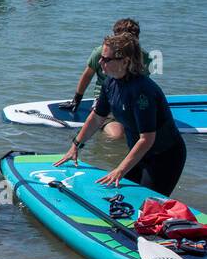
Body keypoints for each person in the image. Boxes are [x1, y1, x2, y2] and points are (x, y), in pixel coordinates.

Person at [56, 33, 186, 195]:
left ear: (125, 62)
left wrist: (120, 170)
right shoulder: (110, 82)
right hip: (138, 154)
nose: (100, 62)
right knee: (118, 196)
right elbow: (97, 117)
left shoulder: (142, 91)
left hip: (164, 158)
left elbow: (147, 139)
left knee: (147, 206)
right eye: (101, 57)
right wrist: (75, 146)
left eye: (106, 59)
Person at [62, 18, 153, 139]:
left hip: (132, 102)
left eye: (134, 40)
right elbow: (87, 75)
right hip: (108, 102)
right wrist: (76, 99)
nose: (130, 44)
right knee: (117, 135)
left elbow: (143, 86)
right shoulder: (102, 53)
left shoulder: (144, 57)